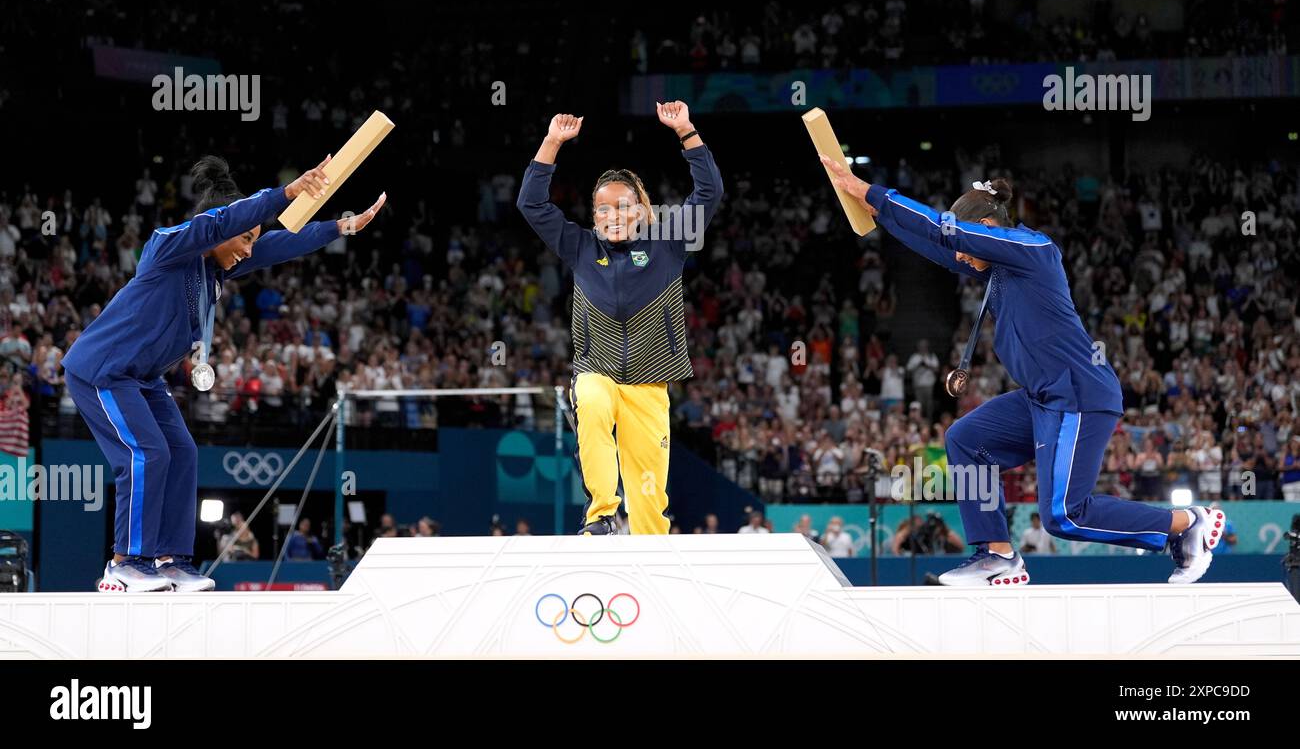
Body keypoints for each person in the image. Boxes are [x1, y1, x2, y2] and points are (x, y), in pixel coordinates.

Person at [821, 159, 1225, 586]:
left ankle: (1187, 524)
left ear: (987, 226)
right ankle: (997, 556)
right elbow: (941, 246)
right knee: (966, 440)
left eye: (966, 241)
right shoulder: (996, 267)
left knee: (1064, 514)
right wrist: (881, 217)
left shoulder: (1034, 249)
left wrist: (873, 192)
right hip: (1042, 397)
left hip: (1079, 394)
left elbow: (945, 231)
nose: (960, 256)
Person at [61, 155, 386, 592]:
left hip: (143, 379)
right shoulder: (168, 246)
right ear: (222, 225)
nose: (249, 250)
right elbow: (219, 224)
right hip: (102, 370)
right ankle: (124, 564)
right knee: (147, 453)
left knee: (183, 452)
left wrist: (340, 227)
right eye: (245, 238)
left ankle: (172, 559)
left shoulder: (217, 267)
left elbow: (282, 242)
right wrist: (284, 193)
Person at [517, 102, 722, 535]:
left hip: (649, 384)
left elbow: (709, 194)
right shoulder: (579, 247)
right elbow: (531, 203)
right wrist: (552, 142)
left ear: (640, 210)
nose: (611, 216)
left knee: (649, 501)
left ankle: (652, 566)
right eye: (602, 209)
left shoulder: (668, 243)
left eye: (621, 207)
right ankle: (602, 515)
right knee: (589, 401)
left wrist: (687, 133)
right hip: (598, 370)